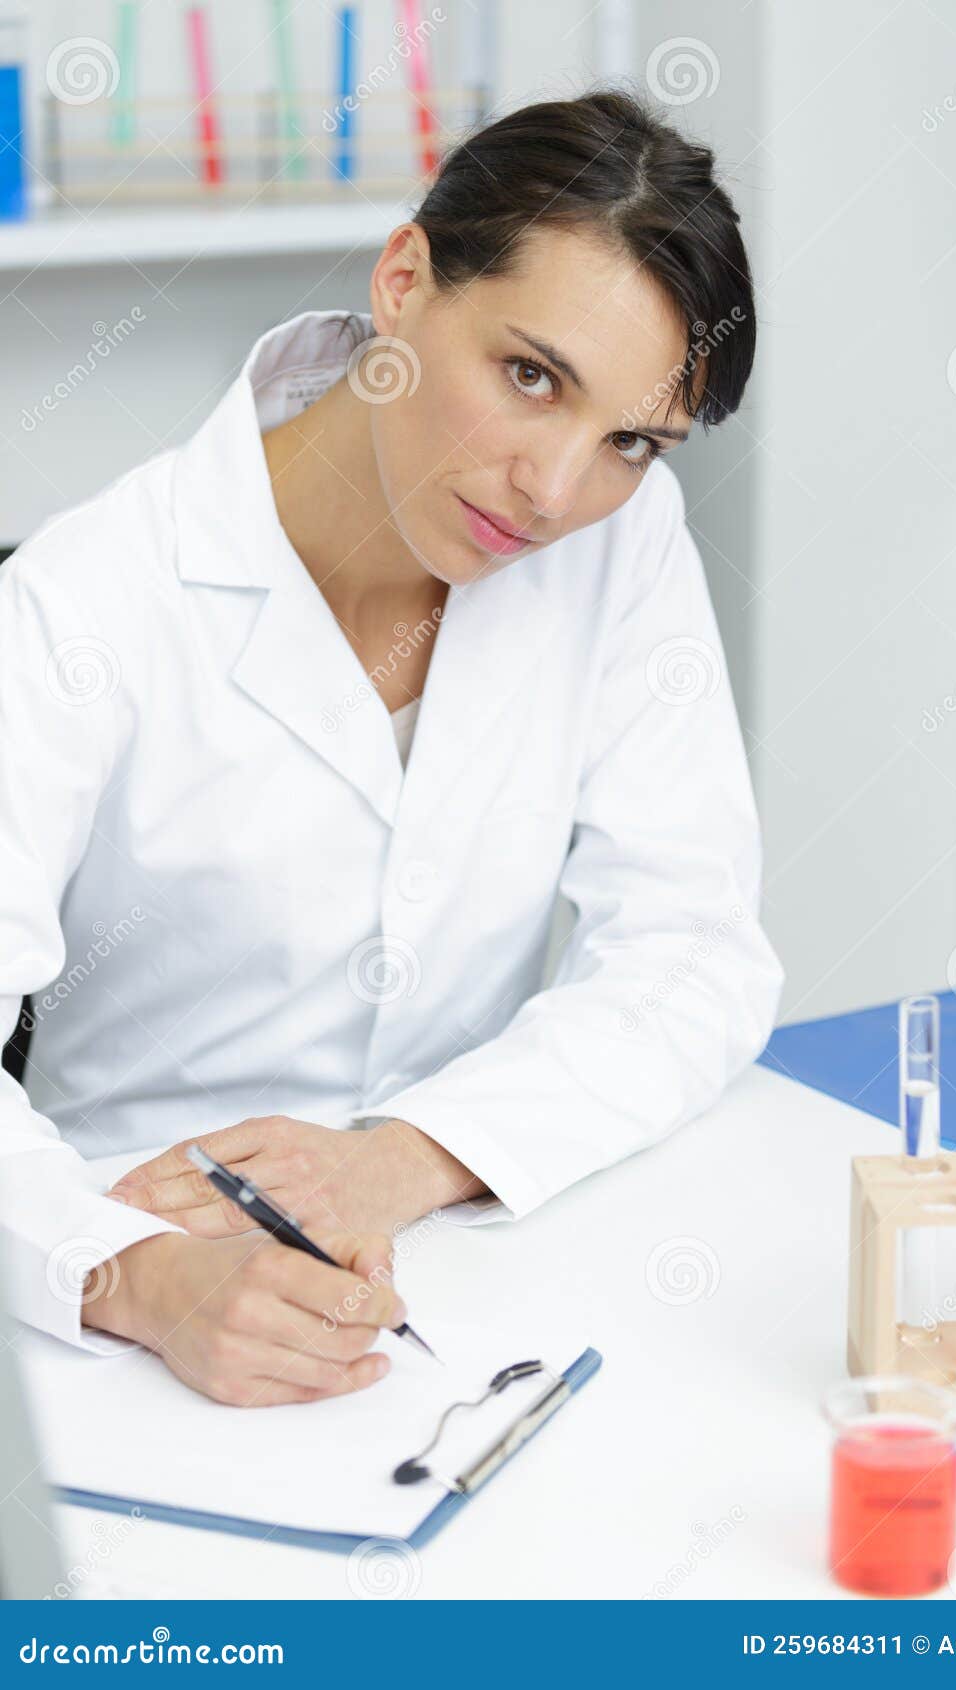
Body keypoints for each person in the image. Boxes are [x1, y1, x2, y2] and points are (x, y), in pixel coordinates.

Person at [0, 91, 783, 1406]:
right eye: (530, 377)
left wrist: (406, 1153)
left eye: (631, 442)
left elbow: (692, 946)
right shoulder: (82, 602)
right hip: (129, 1305)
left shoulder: (620, 545)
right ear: (406, 281)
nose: (555, 489)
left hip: (463, 1266)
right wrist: (126, 1271)